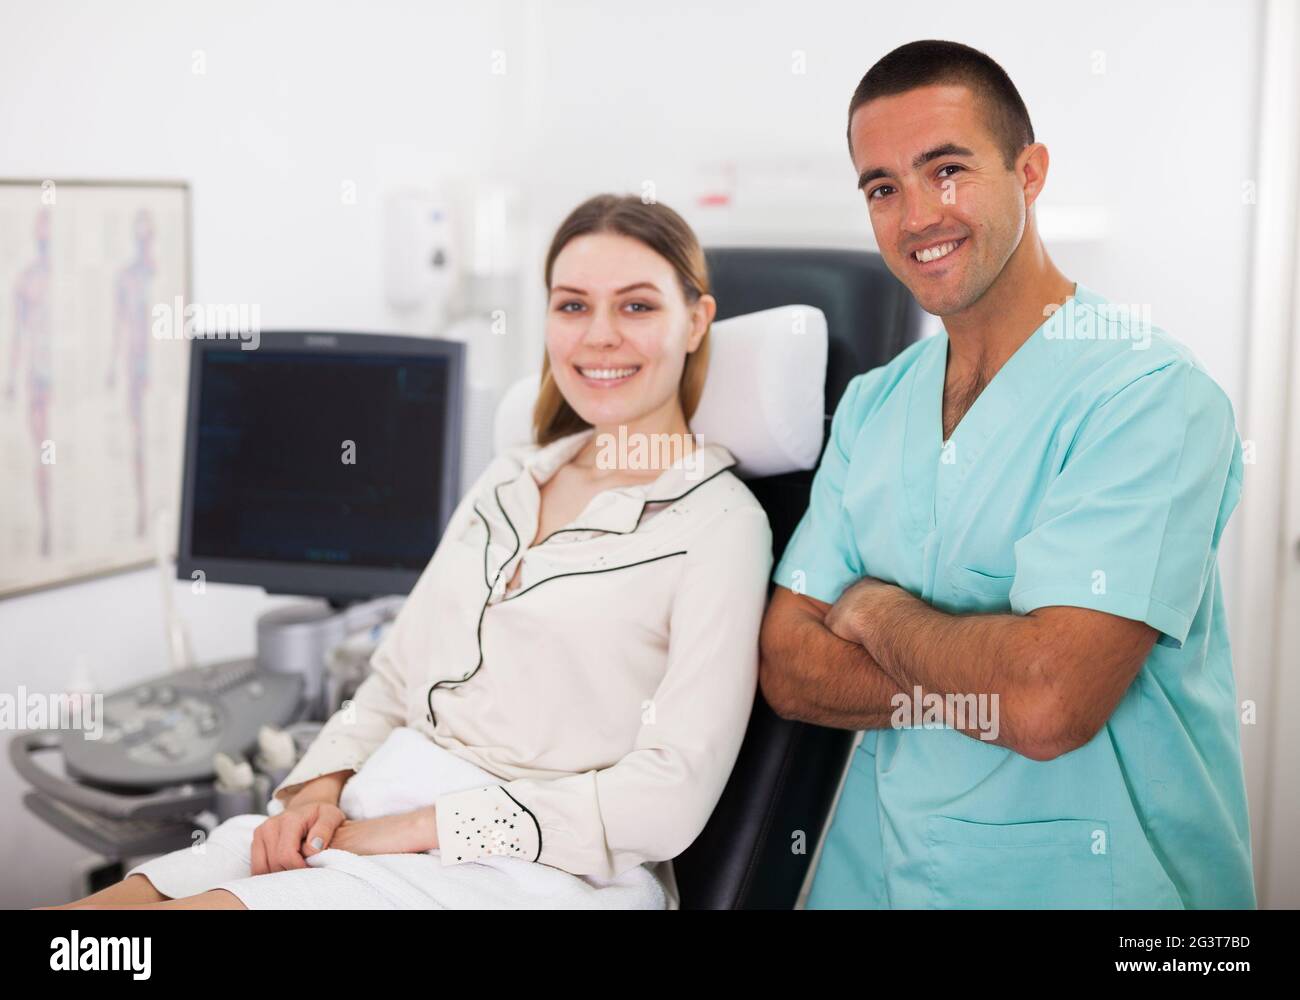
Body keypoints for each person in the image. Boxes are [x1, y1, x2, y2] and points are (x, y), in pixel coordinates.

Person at [45, 194, 772, 910]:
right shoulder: (512, 477)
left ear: (695, 322)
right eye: (573, 305)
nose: (599, 336)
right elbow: (395, 675)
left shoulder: (718, 525)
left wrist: (416, 831)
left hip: (542, 871)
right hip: (376, 807)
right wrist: (315, 789)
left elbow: (669, 795)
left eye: (637, 306)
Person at [759, 40, 1255, 909]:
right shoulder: (875, 406)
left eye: (946, 170)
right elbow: (790, 668)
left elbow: (1046, 702)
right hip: (881, 879)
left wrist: (877, 611)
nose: (916, 217)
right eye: (882, 188)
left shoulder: (1148, 401)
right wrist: (979, 665)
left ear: (1030, 173)